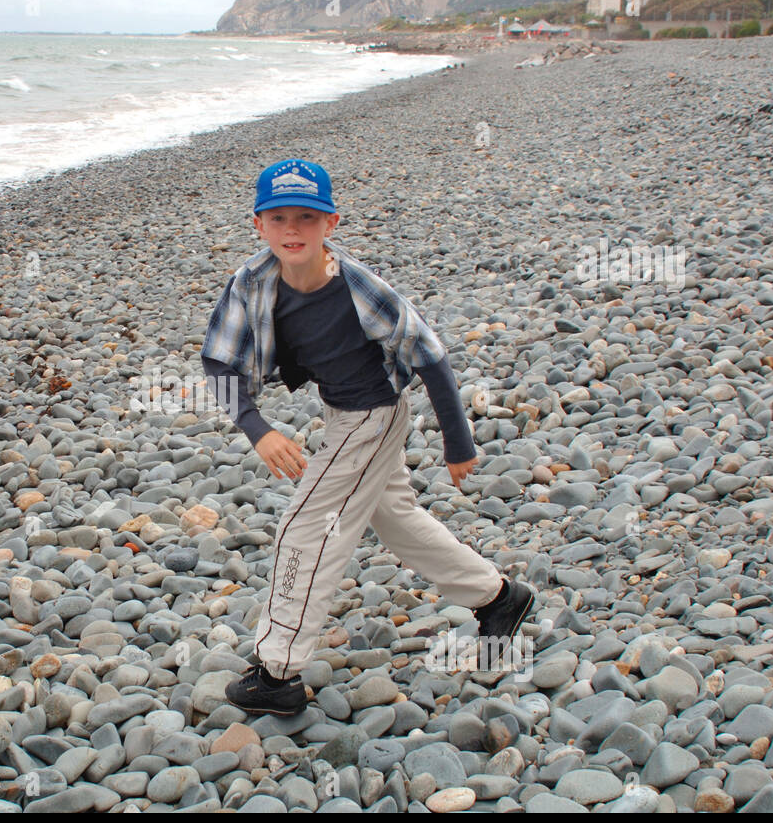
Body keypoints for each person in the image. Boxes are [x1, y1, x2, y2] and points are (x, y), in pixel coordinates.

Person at [201, 158, 537, 717]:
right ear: (258, 224)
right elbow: (219, 362)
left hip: (374, 415)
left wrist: (459, 444)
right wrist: (256, 430)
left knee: (305, 526)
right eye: (278, 217)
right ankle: (499, 597)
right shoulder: (251, 282)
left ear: (330, 223)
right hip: (340, 413)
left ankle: (277, 670)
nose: (292, 230)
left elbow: (429, 354)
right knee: (396, 519)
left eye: (306, 218)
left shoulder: (359, 288)